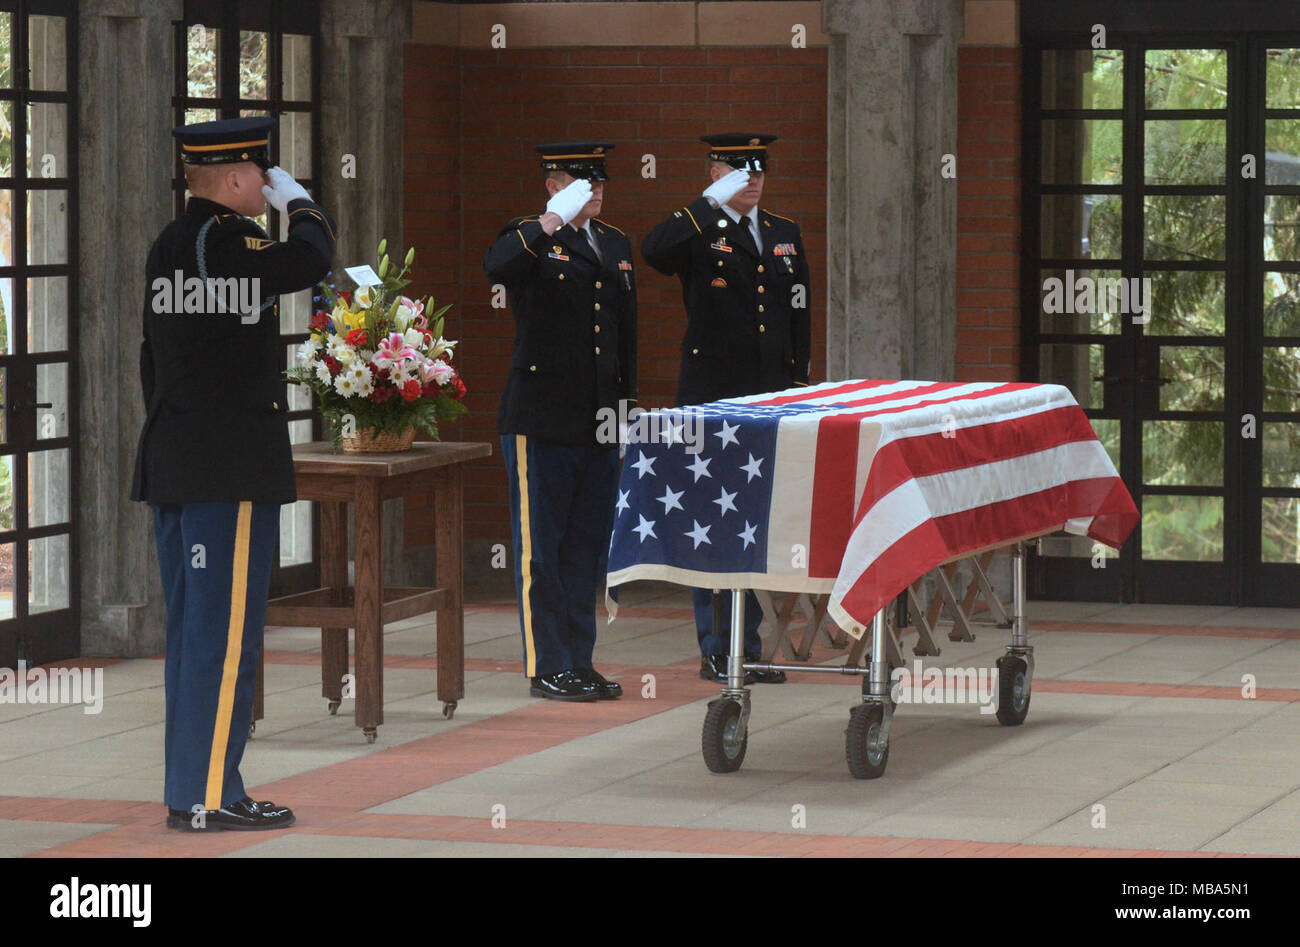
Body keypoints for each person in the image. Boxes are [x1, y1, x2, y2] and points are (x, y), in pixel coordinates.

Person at [130, 116, 336, 831]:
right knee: (223, 638)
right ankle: (212, 793)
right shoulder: (228, 239)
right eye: (262, 177)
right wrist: (303, 206)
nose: (266, 188)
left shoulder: (168, 243)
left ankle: (192, 787)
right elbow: (310, 261)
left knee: (193, 634)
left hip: (180, 465)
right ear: (239, 178)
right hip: (227, 472)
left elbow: (150, 357)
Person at [641, 132, 812, 685]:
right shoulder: (698, 230)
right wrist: (706, 203)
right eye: (739, 169)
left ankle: (750, 643)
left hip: (768, 396)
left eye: (759, 168)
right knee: (711, 517)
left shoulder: (784, 232)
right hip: (712, 395)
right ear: (716, 175)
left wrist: (798, 383)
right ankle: (719, 646)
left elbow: (799, 312)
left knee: (756, 517)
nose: (754, 177)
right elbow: (653, 250)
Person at [484, 143, 638, 702]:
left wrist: (625, 411)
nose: (596, 188)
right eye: (582, 179)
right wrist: (549, 221)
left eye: (601, 179)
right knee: (540, 550)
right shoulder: (530, 235)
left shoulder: (614, 242)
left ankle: (579, 658)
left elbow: (626, 336)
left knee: (586, 545)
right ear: (555, 185)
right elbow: (496, 267)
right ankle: (547, 663)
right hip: (541, 416)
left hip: (598, 417)